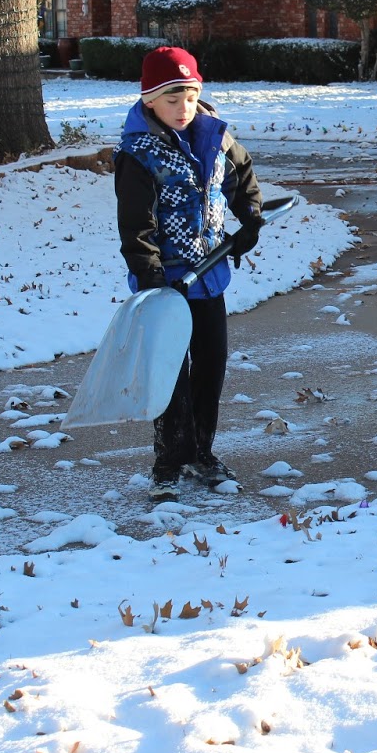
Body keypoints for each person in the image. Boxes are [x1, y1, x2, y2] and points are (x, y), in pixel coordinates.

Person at [114, 46, 264, 499]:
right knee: (170, 375)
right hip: (165, 284)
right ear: (149, 101)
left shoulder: (215, 137)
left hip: (209, 279)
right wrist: (152, 280)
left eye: (191, 96)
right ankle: (170, 459)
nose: (184, 108)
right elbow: (136, 228)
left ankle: (202, 451)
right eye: (172, 98)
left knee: (210, 368)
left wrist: (250, 218)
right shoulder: (138, 155)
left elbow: (241, 175)